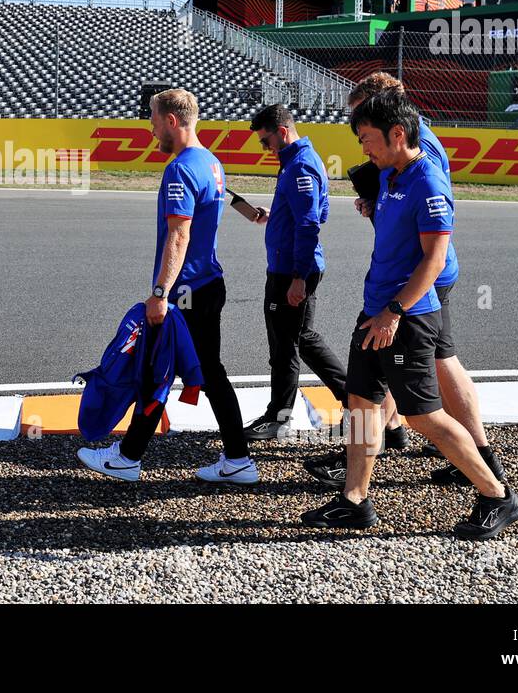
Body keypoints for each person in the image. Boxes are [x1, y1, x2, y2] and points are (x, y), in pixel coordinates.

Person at [301, 89, 518, 539]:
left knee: (422, 416)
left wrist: (395, 312)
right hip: (375, 310)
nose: (362, 148)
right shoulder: (389, 174)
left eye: (367, 137)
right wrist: (372, 210)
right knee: (362, 404)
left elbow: (434, 260)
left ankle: (497, 495)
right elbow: (392, 234)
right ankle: (355, 501)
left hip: (406, 317)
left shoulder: (427, 182)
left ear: (397, 133)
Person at [77, 88, 256, 485]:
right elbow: (217, 204)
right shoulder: (210, 161)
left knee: (156, 371)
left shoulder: (180, 168)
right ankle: (237, 459)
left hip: (187, 289)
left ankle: (128, 458)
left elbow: (179, 235)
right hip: (208, 283)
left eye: (154, 120)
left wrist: (160, 293)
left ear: (172, 121)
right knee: (208, 373)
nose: (151, 128)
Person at [230, 104, 347, 440]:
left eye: (266, 141)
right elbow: (306, 214)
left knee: (286, 348)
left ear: (282, 132)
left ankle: (280, 418)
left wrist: (298, 276)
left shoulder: (299, 166)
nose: (265, 148)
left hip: (292, 270)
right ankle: (358, 401)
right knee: (301, 341)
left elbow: (310, 223)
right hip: (293, 265)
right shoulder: (297, 161)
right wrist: (273, 215)